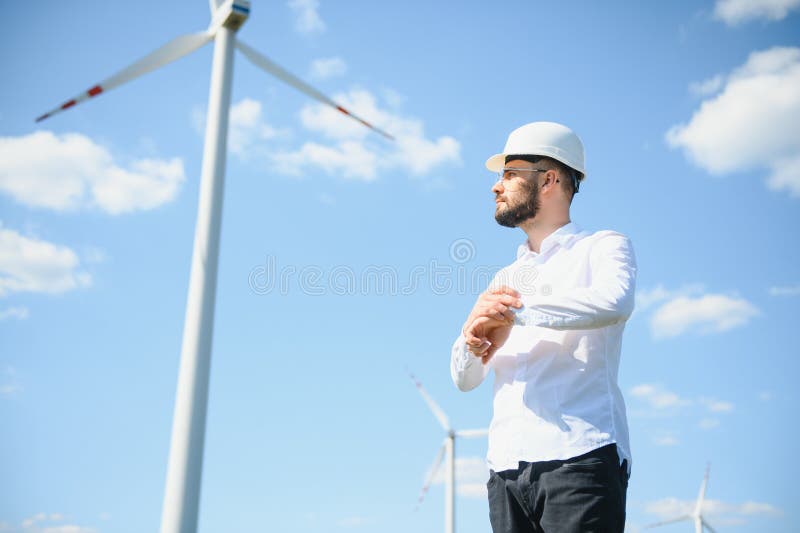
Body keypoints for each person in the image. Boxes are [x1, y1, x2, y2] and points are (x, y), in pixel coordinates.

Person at [450, 122, 636, 533]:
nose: (496, 187)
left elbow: (615, 301)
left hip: (580, 459)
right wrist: (472, 337)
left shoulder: (603, 245)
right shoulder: (504, 276)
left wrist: (516, 313)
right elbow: (465, 380)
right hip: (504, 474)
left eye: (510, 174)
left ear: (550, 179)